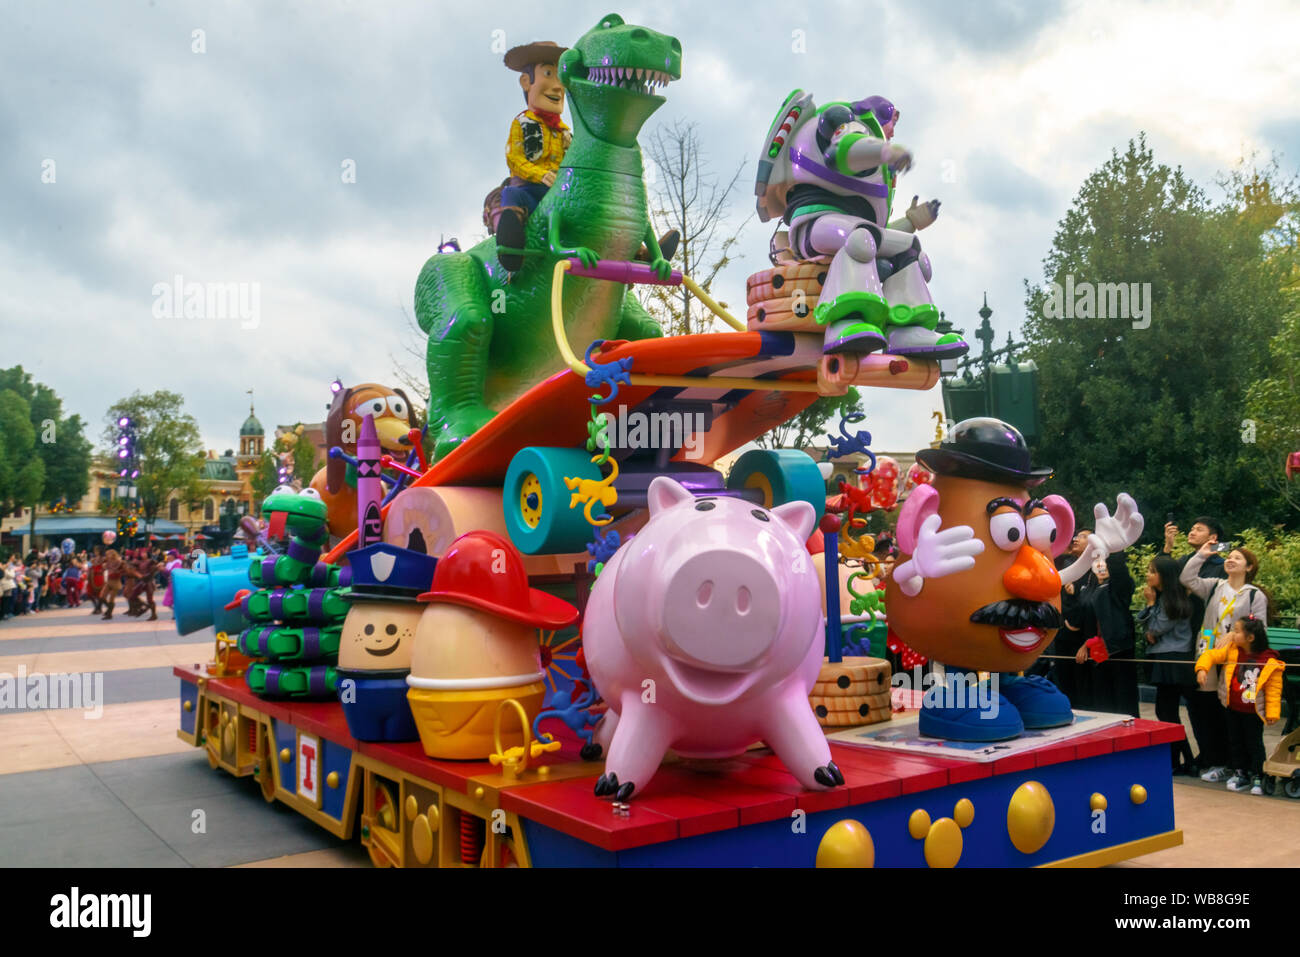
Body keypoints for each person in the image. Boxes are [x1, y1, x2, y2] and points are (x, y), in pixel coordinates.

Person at [1181, 542, 1269, 783]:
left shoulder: (1253, 594)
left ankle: (1248, 768)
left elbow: (1260, 629)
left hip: (1240, 660)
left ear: (1249, 567)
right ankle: (1221, 762)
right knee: (1212, 708)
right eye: (1229, 557)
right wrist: (1202, 554)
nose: (1231, 560)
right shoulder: (1214, 586)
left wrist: (1235, 635)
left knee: (1241, 711)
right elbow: (1187, 577)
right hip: (1209, 652)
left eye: (1238, 558)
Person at [494, 40, 572, 273]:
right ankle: (511, 250)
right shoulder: (522, 123)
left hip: (562, 194)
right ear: (526, 82)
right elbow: (514, 158)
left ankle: (635, 249)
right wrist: (540, 175)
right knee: (510, 194)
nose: (557, 87)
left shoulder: (566, 132)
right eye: (548, 74)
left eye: (561, 79)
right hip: (531, 192)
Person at [1196, 617, 1283, 794]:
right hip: (1232, 708)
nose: (1232, 635)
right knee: (1235, 741)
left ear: (1250, 637)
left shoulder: (1269, 660)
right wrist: (1202, 669)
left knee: (1254, 743)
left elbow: (1274, 690)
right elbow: (1211, 654)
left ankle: (1259, 774)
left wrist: (1272, 712)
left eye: (1237, 631)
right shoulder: (1232, 650)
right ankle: (1240, 772)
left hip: (1253, 712)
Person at [1139, 556, 1200, 773]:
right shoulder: (1165, 598)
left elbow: (1156, 629)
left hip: (1172, 658)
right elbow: (1144, 622)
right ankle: (1180, 759)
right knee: (1166, 712)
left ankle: (1186, 760)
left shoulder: (1171, 600)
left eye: (1153, 571)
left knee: (1167, 713)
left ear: (1165, 575)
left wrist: (1151, 604)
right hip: (1166, 657)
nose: (1148, 575)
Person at [1074, 549, 1140, 717]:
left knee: (1124, 705)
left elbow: (1120, 572)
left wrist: (1113, 550)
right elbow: (1086, 621)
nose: (1101, 566)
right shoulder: (1090, 590)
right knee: (1103, 705)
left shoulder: (1119, 588)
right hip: (1097, 653)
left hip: (1118, 651)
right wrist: (1085, 644)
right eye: (1097, 563)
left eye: (1104, 563)